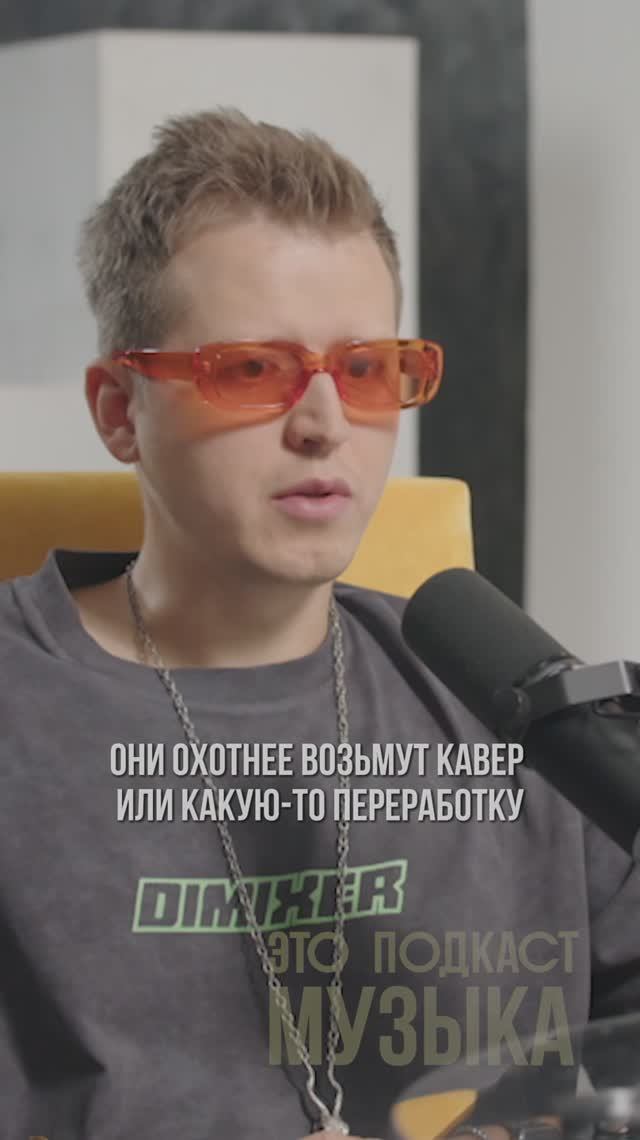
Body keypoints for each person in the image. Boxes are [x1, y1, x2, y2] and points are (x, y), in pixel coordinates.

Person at [0, 108, 638, 1140]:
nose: (325, 425)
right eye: (253, 370)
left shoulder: (507, 701)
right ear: (120, 410)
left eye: (366, 369)